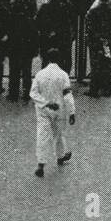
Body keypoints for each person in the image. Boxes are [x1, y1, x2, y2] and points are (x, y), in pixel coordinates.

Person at [30, 47, 75, 177]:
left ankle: (41, 164)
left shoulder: (40, 74)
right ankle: (60, 156)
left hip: (43, 110)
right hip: (59, 109)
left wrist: (45, 103)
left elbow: (33, 93)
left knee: (43, 135)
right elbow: (67, 95)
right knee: (59, 133)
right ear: (59, 60)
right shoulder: (63, 75)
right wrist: (72, 112)